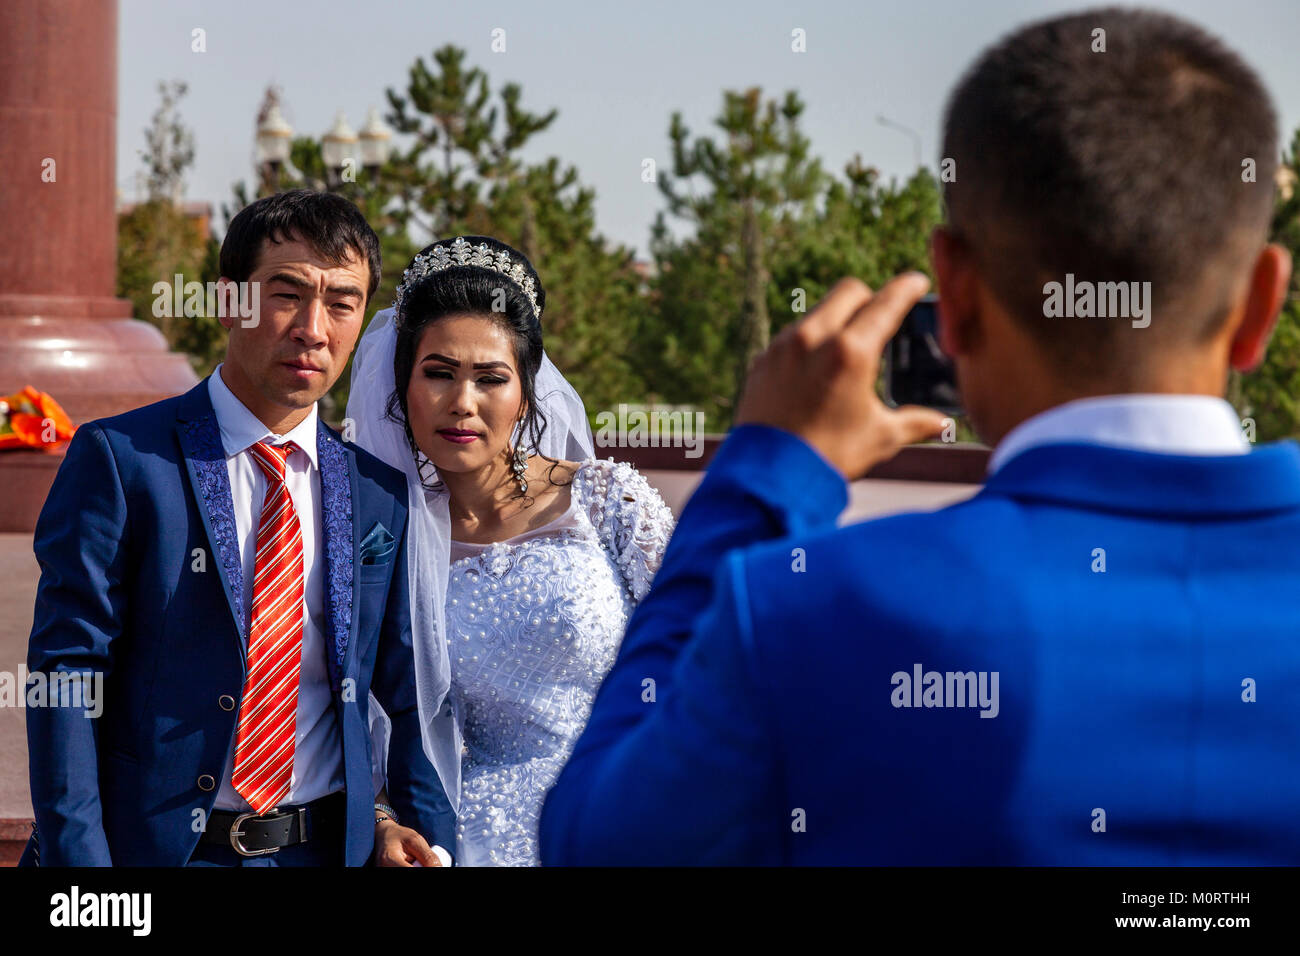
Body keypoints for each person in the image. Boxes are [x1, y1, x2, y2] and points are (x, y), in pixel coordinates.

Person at [540, 7, 1299, 864]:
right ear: (1263, 301)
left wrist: (762, 477)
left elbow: (599, 844)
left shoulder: (811, 613)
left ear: (957, 294)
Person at [22, 189, 455, 866]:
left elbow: (409, 700)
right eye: (287, 294)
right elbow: (67, 677)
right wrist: (82, 870)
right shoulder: (125, 460)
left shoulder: (378, 494)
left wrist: (424, 836)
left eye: (341, 302)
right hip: (155, 856)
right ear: (230, 301)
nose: (314, 328)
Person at [346, 236, 675, 865]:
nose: (462, 403)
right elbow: (352, 708)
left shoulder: (607, 503)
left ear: (525, 393)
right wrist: (383, 821)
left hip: (627, 817)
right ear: (401, 385)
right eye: (438, 373)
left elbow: (704, 659)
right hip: (463, 842)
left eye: (490, 379)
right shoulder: (381, 535)